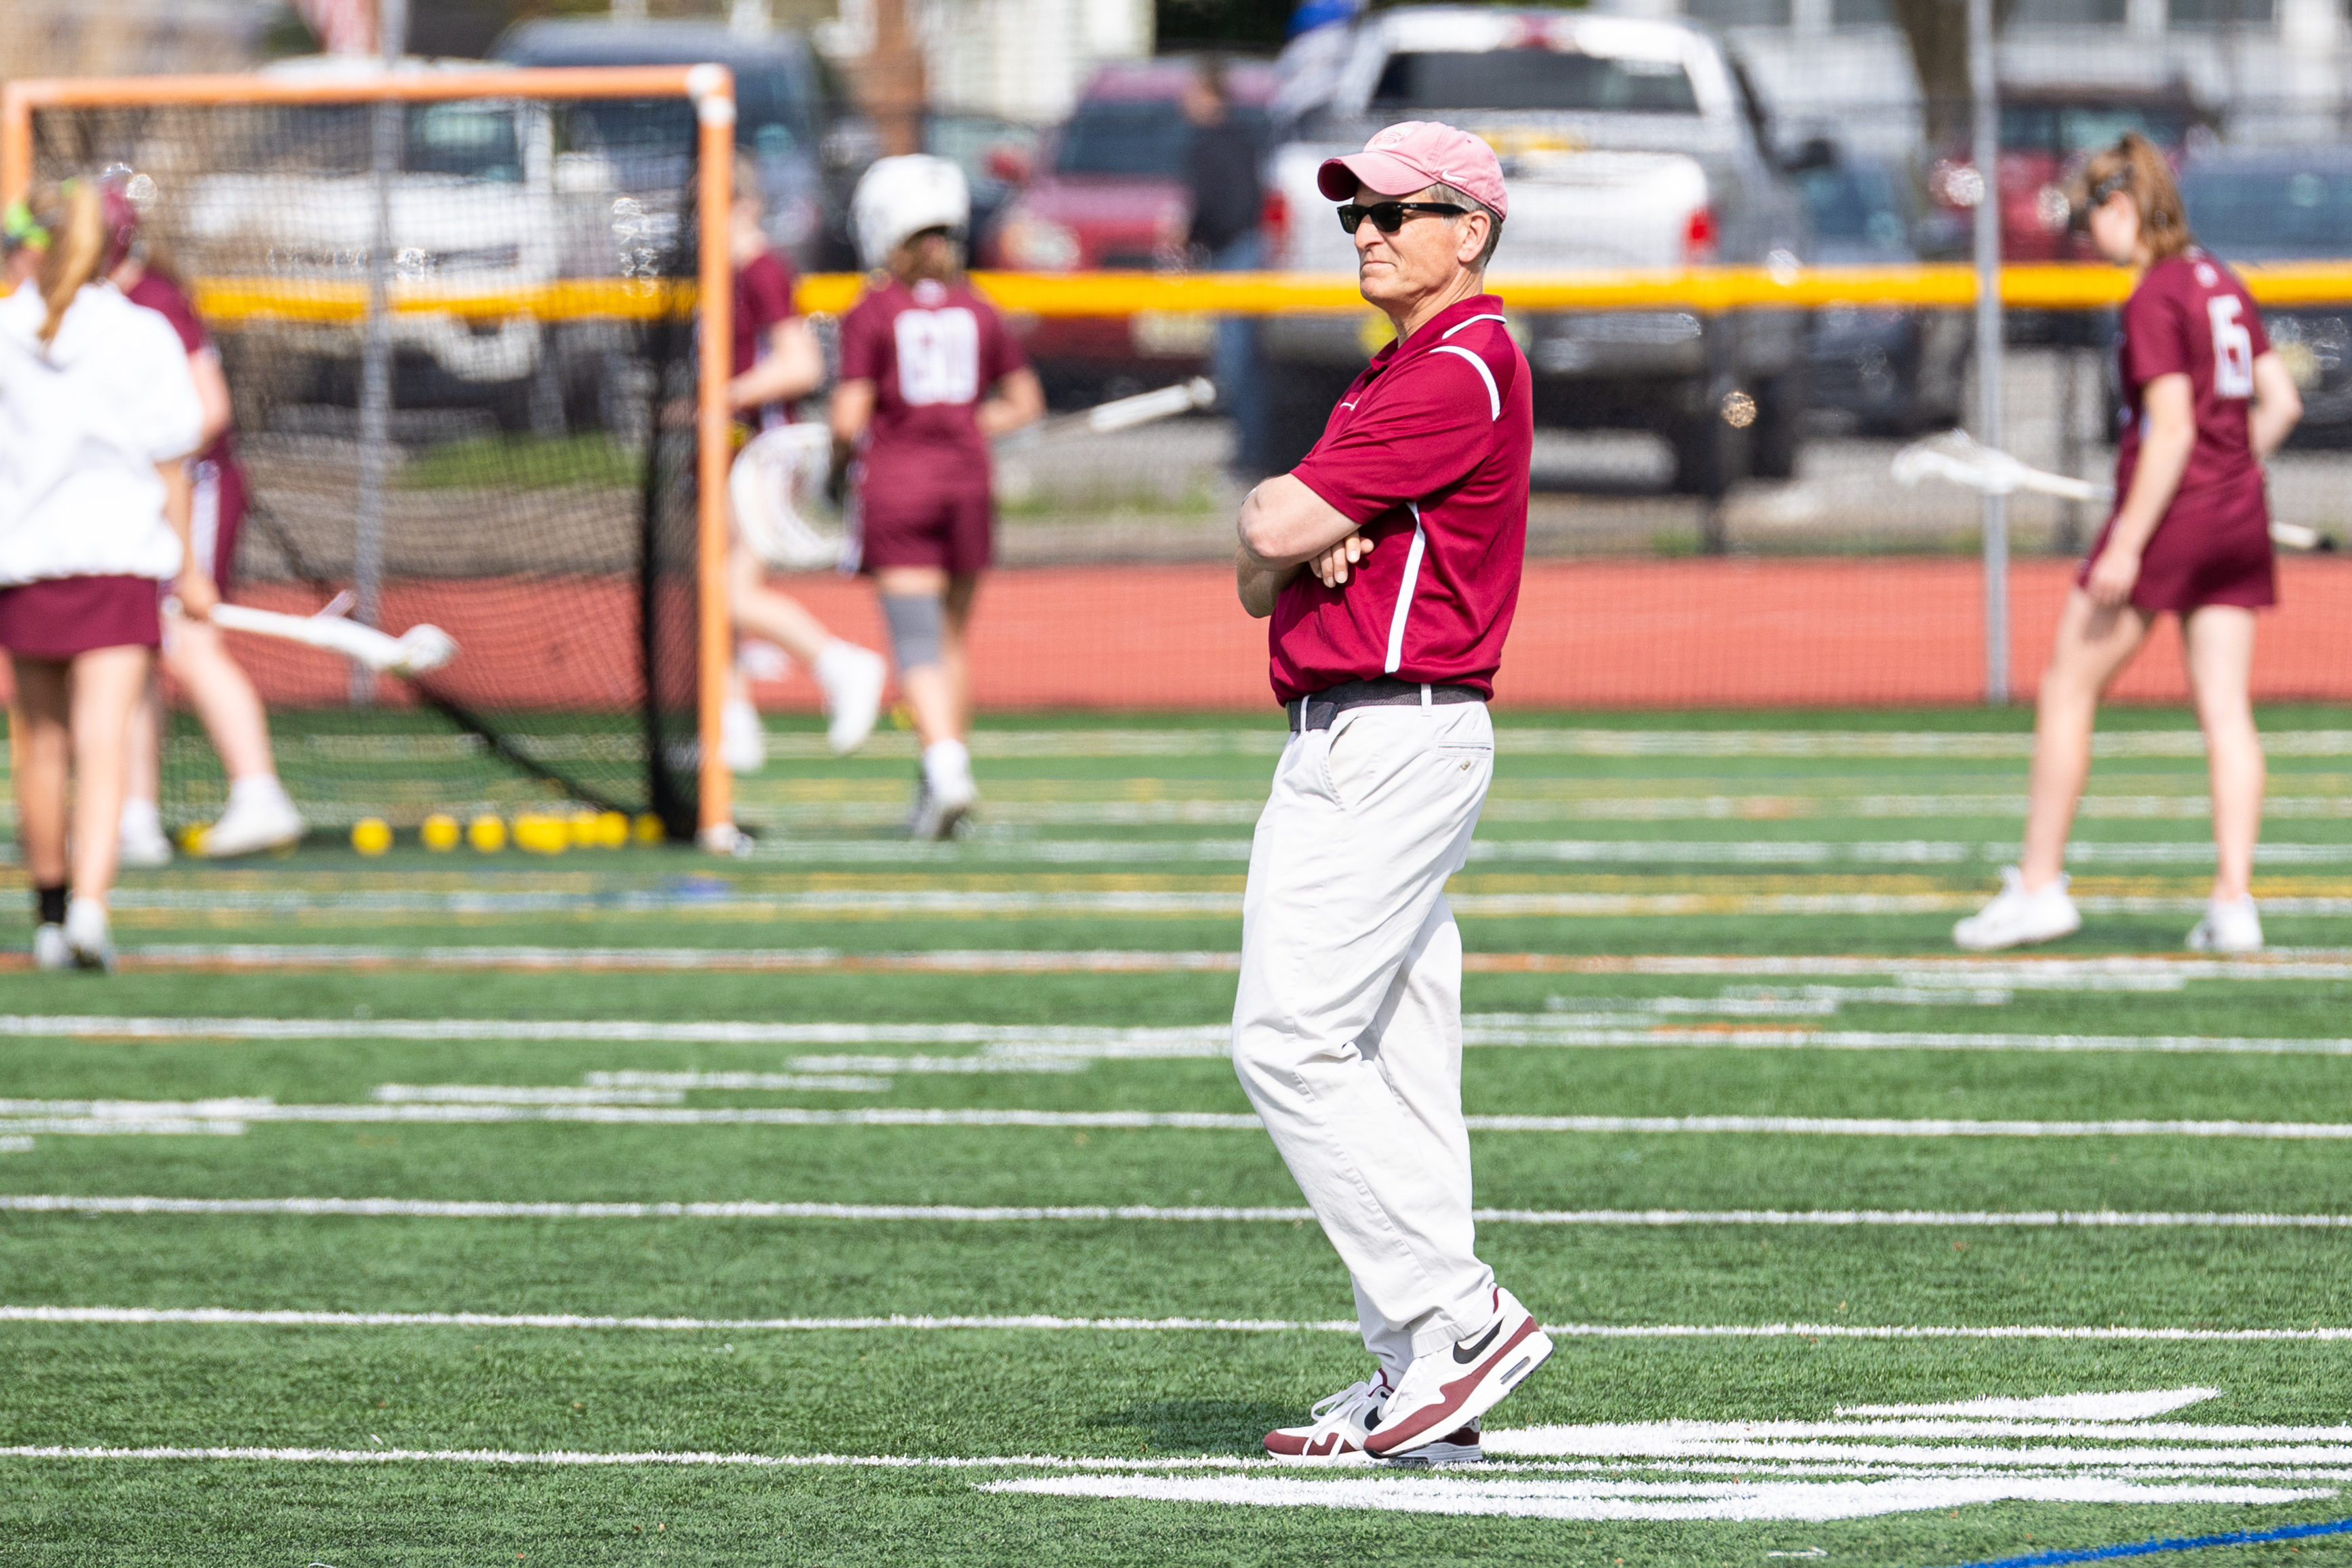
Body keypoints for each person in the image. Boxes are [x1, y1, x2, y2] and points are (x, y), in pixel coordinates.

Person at [1230, 121, 1548, 1464]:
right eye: (1353, 210)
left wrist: (1291, 527)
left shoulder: (1459, 364)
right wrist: (1294, 532)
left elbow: (1258, 532)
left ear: (1468, 231)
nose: (1364, 229)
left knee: (1284, 1040)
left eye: (1395, 211)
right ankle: (1424, 1371)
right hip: (1363, 730)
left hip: (1389, 734)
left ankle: (1456, 1316)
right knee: (1395, 1058)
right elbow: (1264, 568)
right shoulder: (1396, 372)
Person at [1955, 133, 2303, 954]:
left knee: (2066, 689)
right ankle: (2233, 903)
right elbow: (2278, 403)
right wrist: (2229, 482)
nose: (2085, 239)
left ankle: (2038, 885)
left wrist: (2127, 545)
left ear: (2120, 207)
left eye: (2087, 219)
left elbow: (2174, 430)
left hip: (2169, 526)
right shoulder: (2221, 280)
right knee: (2225, 711)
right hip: (2237, 521)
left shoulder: (2153, 295)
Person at [0, 181, 206, 969]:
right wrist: (190, 572)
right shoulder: (143, 332)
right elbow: (173, 464)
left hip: (26, 565)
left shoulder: (8, 324)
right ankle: (89, 907)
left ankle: (50, 920)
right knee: (103, 742)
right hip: (117, 561)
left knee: (40, 748)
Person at [831, 155, 1043, 839]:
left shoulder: (872, 311)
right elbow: (1023, 404)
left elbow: (846, 418)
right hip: (967, 485)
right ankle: (938, 782)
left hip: (900, 486)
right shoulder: (978, 308)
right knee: (950, 640)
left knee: (917, 640)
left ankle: (948, 771)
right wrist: (962, 422)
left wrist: (833, 470)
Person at [102, 192, 306, 862]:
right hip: (144, 493)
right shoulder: (108, 304)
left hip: (193, 488)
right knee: (132, 650)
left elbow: (208, 410)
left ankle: (259, 795)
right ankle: (133, 814)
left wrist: (139, 449)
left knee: (191, 639)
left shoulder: (153, 303)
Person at [721, 157, 887, 772]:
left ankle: (839, 663)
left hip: (757, 458)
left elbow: (801, 366)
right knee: (708, 598)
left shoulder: (761, 269)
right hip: (721, 451)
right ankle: (732, 720)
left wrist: (723, 396)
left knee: (726, 594)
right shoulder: (720, 274)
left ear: (745, 204)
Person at [1181, 58, 1268, 476]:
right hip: (1244, 249)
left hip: (1237, 252)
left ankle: (1250, 454)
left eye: (1193, 93)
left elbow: (1219, 206)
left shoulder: (1211, 142)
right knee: (1241, 358)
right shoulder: (1241, 137)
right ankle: (1249, 449)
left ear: (1210, 96)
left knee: (1237, 360)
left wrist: (1190, 237)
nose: (1186, 101)